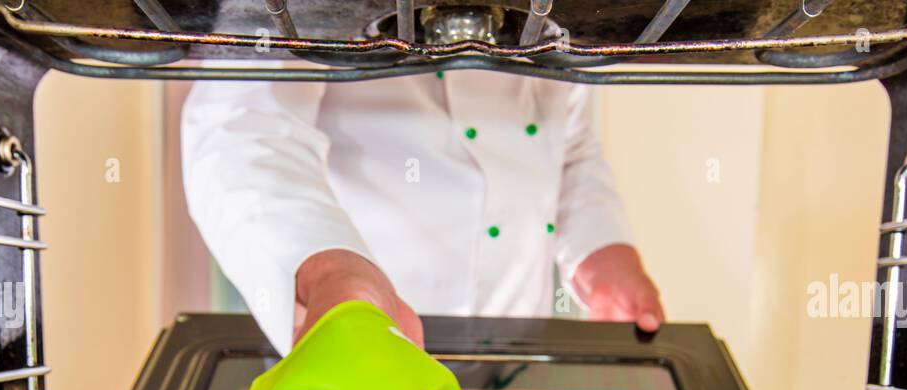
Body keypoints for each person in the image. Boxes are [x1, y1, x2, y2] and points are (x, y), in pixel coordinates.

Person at [180, 69, 664, 357]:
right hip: (356, 334)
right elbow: (244, 128)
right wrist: (328, 268)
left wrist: (601, 250)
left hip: (521, 343)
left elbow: (569, 138)